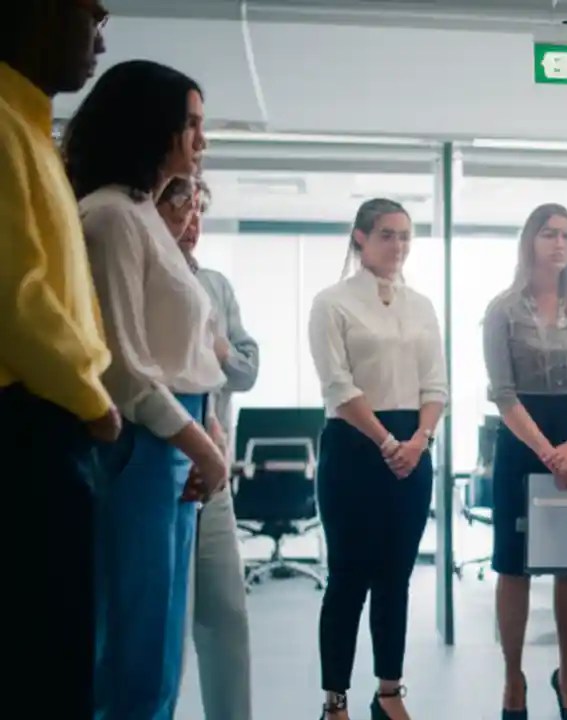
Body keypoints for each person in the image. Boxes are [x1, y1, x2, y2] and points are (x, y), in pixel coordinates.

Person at [64, 59, 229, 720]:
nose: (201, 140)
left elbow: (184, 351)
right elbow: (125, 370)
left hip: (176, 437)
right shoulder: (109, 218)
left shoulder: (141, 217)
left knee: (161, 650)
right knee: (133, 650)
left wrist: (209, 425)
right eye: (190, 123)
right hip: (145, 441)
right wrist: (206, 448)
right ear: (150, 125)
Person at [0, 2, 113, 716]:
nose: (102, 24)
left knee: (63, 654)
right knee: (42, 660)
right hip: (31, 424)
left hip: (54, 421)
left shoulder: (33, 130)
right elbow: (17, 298)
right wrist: (94, 400)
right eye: (88, 9)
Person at [308, 198, 447, 720]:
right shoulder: (332, 303)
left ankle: (390, 691)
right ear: (360, 238)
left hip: (414, 449)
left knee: (396, 576)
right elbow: (338, 385)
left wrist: (420, 441)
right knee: (348, 577)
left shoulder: (421, 306)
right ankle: (334, 700)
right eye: (387, 234)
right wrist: (388, 443)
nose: (398, 246)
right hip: (354, 449)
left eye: (405, 236)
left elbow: (437, 384)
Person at [482, 203, 567, 720]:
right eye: (550, 234)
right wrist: (544, 450)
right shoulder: (503, 309)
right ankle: (514, 680)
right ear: (531, 240)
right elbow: (503, 394)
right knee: (514, 569)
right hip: (521, 441)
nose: (559, 243)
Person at [156, 175, 258, 720]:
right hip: (158, 464)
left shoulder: (214, 286)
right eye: (181, 208)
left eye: (198, 211)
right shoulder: (137, 269)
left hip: (212, 471)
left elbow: (245, 370)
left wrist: (217, 342)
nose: (191, 222)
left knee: (226, 615)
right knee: (161, 624)